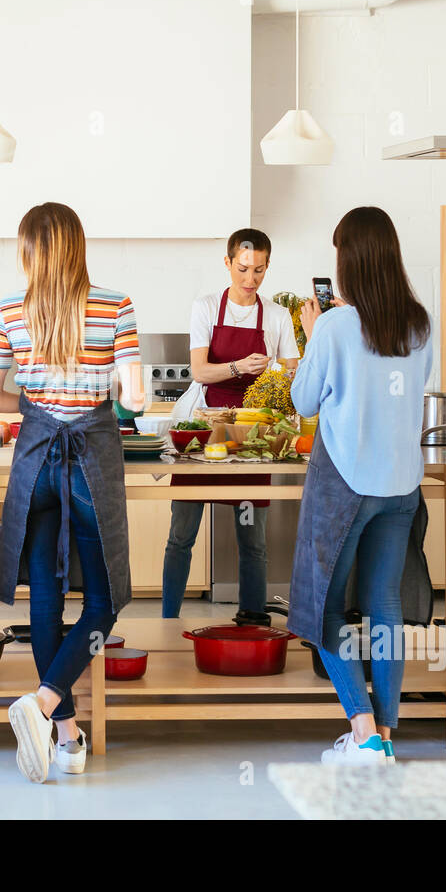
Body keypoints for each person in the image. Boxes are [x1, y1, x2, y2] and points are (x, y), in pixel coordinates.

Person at [0, 202, 143, 783]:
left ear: (29, 250)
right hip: (91, 465)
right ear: (78, 245)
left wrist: (38, 407)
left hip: (35, 462)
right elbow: (136, 399)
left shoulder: (9, 311)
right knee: (105, 598)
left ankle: (66, 735)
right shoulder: (115, 305)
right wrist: (103, 401)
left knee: (45, 598)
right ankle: (49, 707)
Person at [287, 206, 435, 766]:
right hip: (400, 485)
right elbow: (415, 390)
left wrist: (310, 332)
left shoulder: (334, 326)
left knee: (323, 606)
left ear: (348, 261)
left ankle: (364, 731)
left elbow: (304, 402)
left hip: (346, 484)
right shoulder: (419, 322)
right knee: (385, 607)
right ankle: (388, 736)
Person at [161, 229, 299, 622]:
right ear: (227, 263)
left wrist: (274, 372)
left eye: (258, 270)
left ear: (267, 266)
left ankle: (252, 620)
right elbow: (200, 371)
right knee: (181, 536)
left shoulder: (276, 316)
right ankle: (169, 618)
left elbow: (292, 375)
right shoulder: (205, 307)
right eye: (242, 269)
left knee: (251, 539)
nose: (250, 279)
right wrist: (238, 367)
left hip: (252, 440)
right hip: (203, 434)